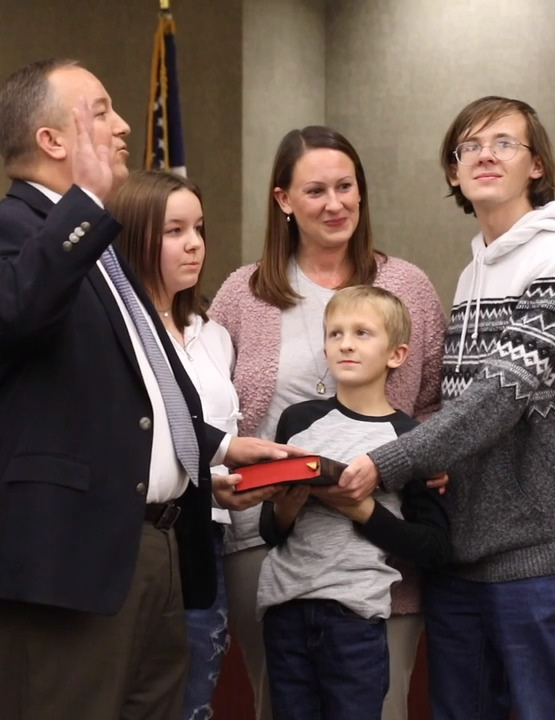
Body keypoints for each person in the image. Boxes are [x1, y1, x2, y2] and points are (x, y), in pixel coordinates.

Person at [0, 58, 289, 720]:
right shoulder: (7, 232)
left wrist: (217, 451)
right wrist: (84, 206)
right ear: (53, 140)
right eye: (100, 111)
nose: (125, 124)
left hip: (156, 547)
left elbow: (135, 391)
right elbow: (15, 312)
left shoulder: (104, 251)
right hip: (66, 561)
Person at [338, 96, 555, 720]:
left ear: (536, 165)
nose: (485, 155)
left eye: (504, 143)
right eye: (469, 147)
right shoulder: (469, 275)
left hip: (533, 553)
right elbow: (458, 409)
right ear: (454, 173)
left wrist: (389, 461)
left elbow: (500, 396)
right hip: (460, 552)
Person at [209, 125, 446, 720]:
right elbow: (209, 403)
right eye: (315, 190)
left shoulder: (407, 287)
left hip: (378, 542)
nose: (334, 203)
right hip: (270, 535)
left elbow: (435, 402)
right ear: (283, 199)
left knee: (378, 705)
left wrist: (430, 461)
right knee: (280, 705)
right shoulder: (244, 292)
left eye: (346, 187)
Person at [257, 285, 453, 720]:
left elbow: (435, 547)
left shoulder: (410, 441)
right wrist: (286, 507)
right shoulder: (298, 420)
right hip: (285, 609)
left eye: (362, 333)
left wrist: (360, 508)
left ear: (397, 355)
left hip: (353, 615)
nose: (345, 343)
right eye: (335, 333)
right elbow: (271, 531)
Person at [110, 169, 244, 720]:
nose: (194, 244)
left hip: (205, 539)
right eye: (174, 231)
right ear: (135, 235)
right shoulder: (115, 328)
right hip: (134, 539)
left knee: (192, 702)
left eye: (199, 228)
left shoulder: (213, 331)